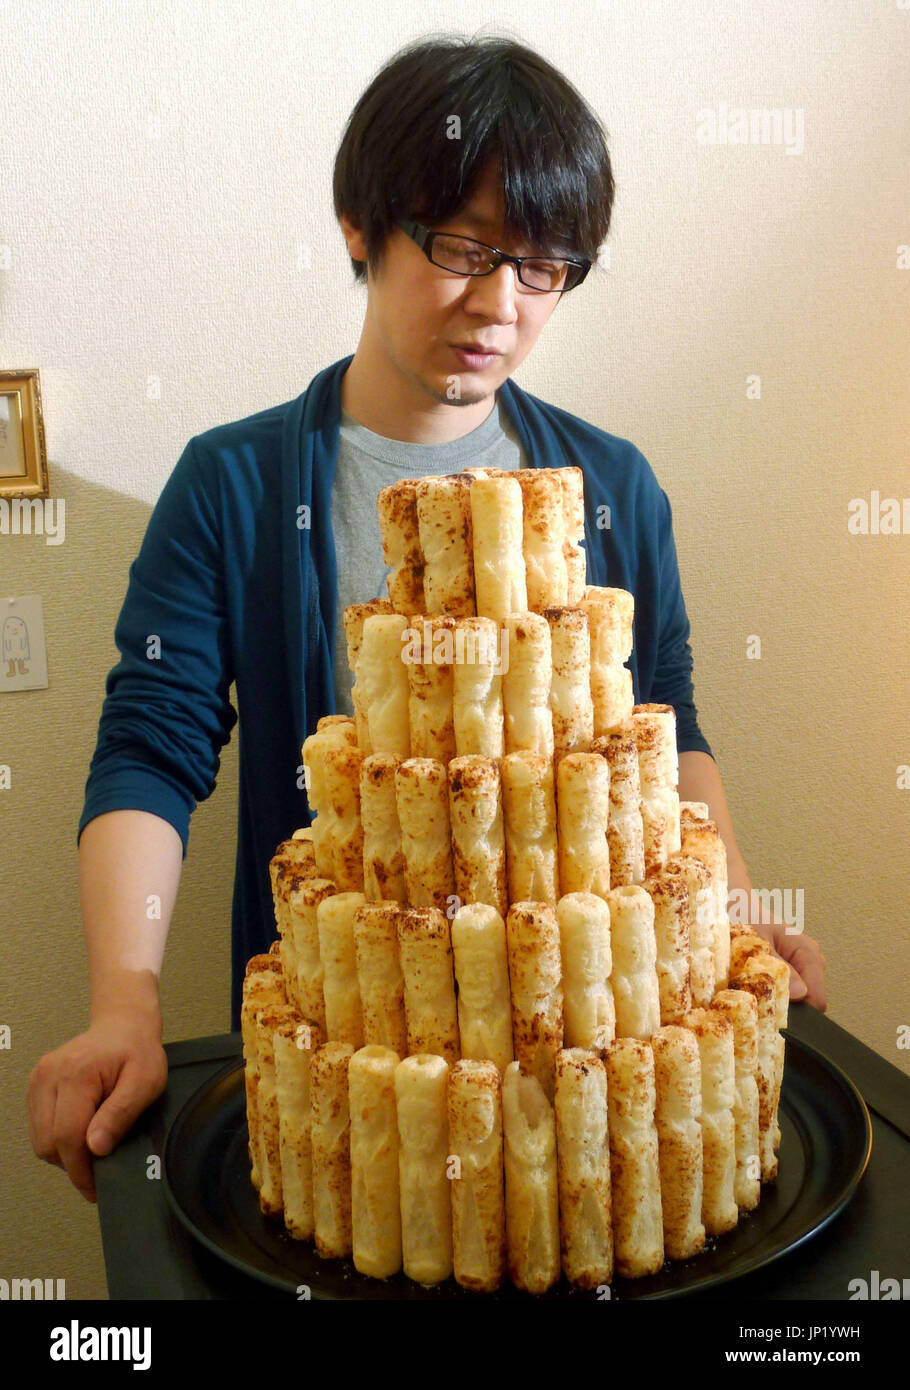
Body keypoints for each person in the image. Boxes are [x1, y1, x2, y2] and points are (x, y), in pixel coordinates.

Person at [27, 33, 826, 1206]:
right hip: (371, 1099)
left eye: (545, 266)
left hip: (576, 1105)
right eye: (462, 247)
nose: (500, 304)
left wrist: (732, 930)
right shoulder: (235, 485)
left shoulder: (612, 489)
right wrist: (123, 1005)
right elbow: (152, 747)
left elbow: (663, 729)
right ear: (360, 224)